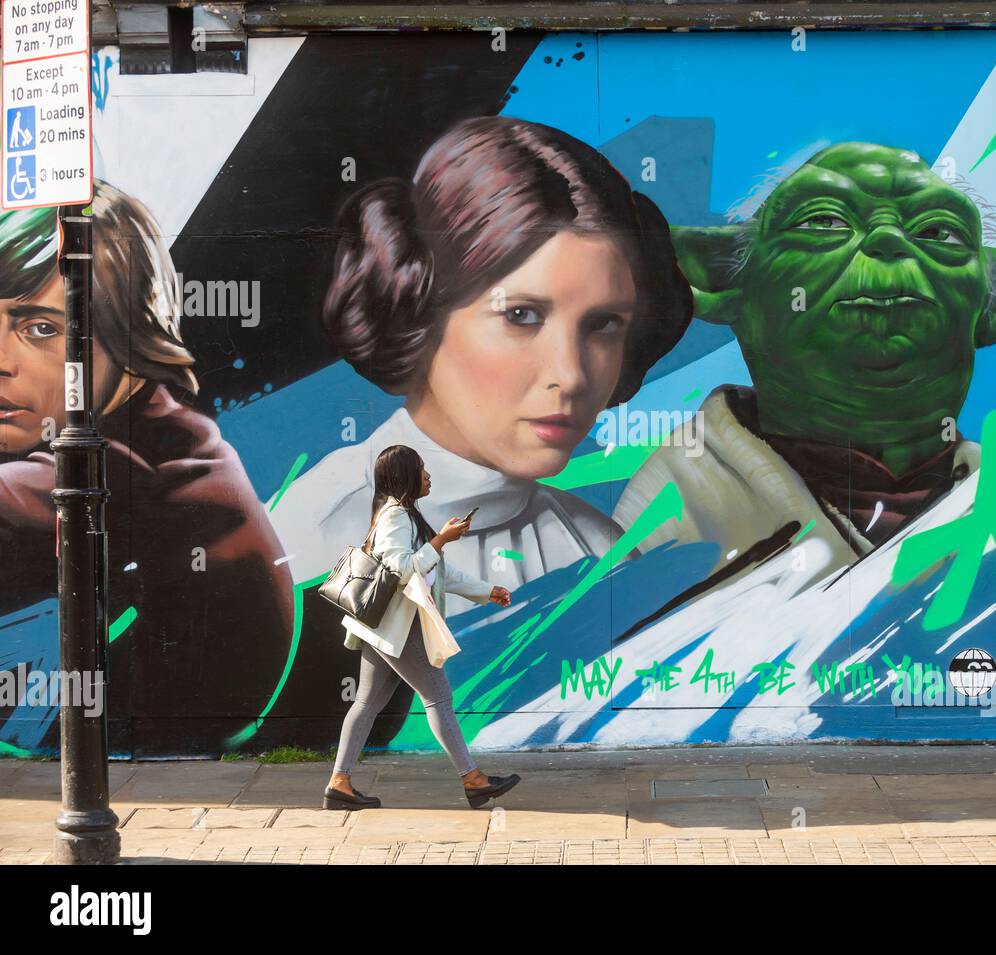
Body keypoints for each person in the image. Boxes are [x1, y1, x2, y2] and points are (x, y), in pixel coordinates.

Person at [270, 115, 694, 607]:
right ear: (420, 309)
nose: (572, 375)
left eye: (603, 325)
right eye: (521, 315)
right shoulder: (299, 543)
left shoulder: (602, 553)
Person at [614, 143, 996, 584]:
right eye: (823, 222)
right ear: (713, 281)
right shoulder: (661, 521)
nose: (888, 240)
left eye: (936, 232)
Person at [0, 181, 293, 752]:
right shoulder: (170, 429)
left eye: (40, 329)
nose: (2, 362)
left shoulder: (143, 462)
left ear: (127, 332)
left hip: (157, 740)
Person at [325, 443, 520, 810]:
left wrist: (485, 590)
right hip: (399, 627)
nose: (428, 476)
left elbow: (435, 572)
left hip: (381, 628)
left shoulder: (404, 514)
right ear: (405, 476)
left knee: (366, 703)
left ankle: (340, 782)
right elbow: (400, 568)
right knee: (438, 698)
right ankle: (473, 779)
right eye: (422, 469)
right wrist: (441, 539)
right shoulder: (396, 515)